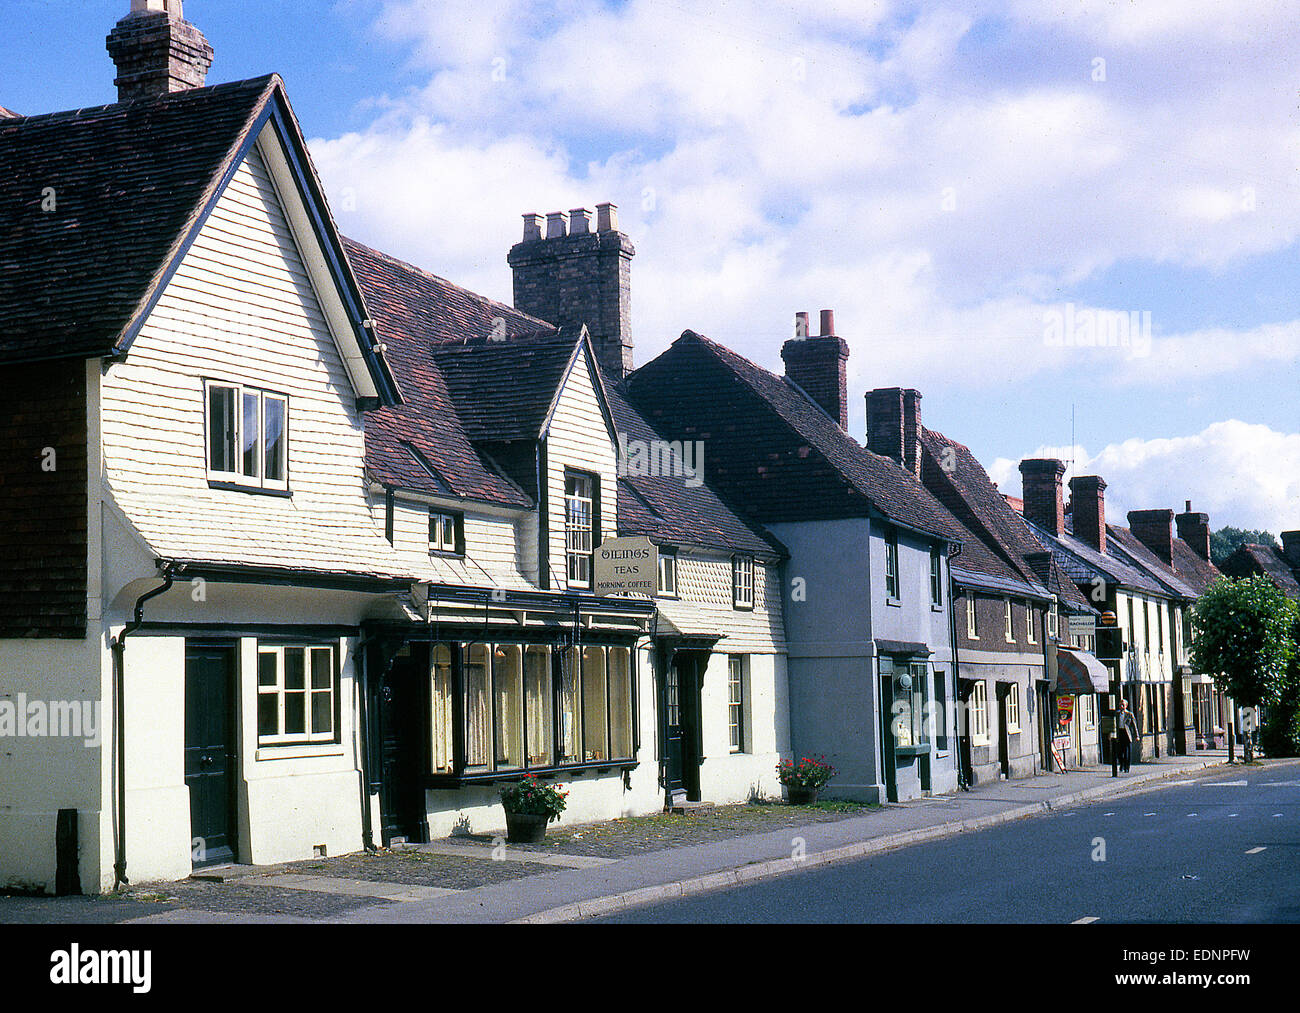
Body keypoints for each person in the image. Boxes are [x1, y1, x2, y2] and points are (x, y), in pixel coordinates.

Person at [1117, 698, 1138, 772]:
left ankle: (1126, 767)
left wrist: (1136, 736)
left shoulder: (1129, 714)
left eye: (1123, 705)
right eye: (1120, 705)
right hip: (1120, 732)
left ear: (1126, 706)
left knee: (1127, 752)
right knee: (1119, 751)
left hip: (1127, 734)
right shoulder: (1117, 714)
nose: (1121, 706)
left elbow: (1134, 725)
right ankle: (1121, 765)